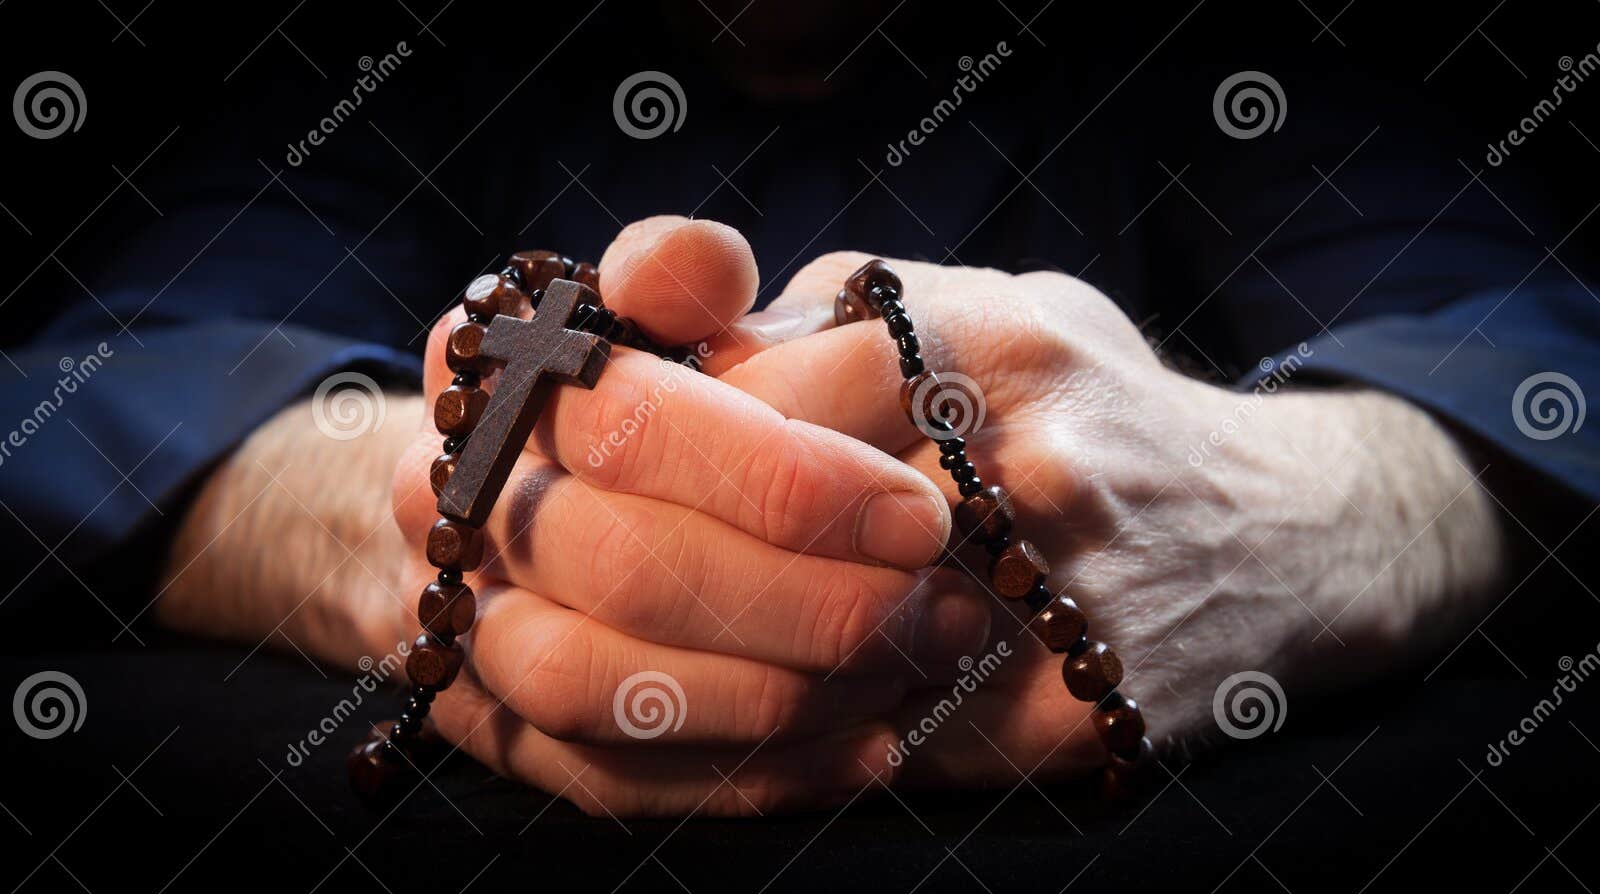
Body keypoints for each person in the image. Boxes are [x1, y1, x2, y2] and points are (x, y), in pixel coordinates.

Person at [4, 8, 1595, 816]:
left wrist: (1295, 505)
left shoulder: (1196, 63)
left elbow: (1535, 349)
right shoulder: (411, 72)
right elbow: (89, 389)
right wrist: (387, 506)